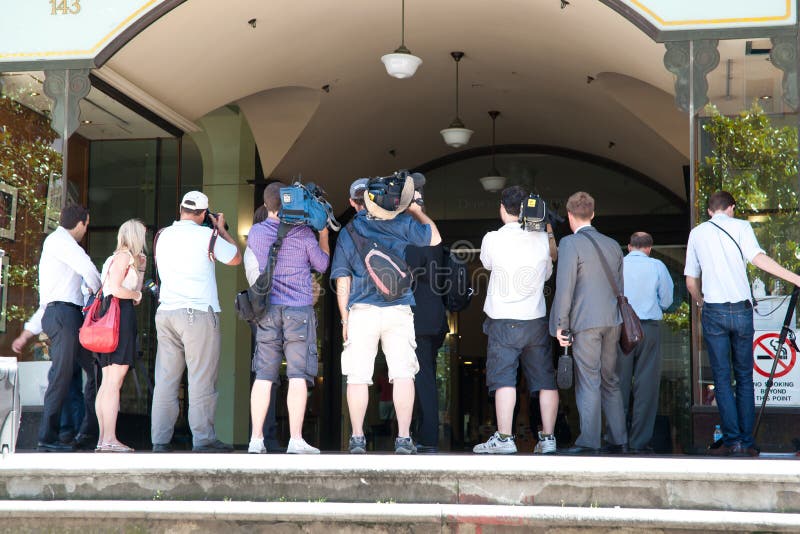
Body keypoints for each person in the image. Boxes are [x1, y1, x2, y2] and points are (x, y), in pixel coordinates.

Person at [685, 191, 800, 457]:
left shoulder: (697, 233)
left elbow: (691, 281)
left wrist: (701, 302)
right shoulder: (741, 227)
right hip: (741, 310)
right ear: (732, 208)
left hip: (714, 309)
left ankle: (733, 441)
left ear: (710, 210)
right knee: (745, 377)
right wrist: (794, 278)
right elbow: (757, 258)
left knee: (722, 378)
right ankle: (747, 442)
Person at [332, 176, 441, 454]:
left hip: (361, 311)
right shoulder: (401, 222)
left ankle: (357, 438)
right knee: (403, 374)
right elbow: (435, 238)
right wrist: (416, 210)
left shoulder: (348, 231)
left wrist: (344, 319)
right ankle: (403, 438)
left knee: (357, 376)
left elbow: (343, 280)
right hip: (398, 309)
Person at [151, 191, 241, 453]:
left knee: (166, 379)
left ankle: (160, 440)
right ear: (203, 214)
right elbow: (235, 257)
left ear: (181, 209)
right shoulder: (206, 236)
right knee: (201, 378)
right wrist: (220, 230)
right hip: (197, 312)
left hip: (166, 312)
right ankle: (203, 439)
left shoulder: (162, 235)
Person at [244, 182, 330, 454]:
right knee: (297, 375)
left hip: (268, 310)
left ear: (266, 205)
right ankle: (295, 439)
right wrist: (323, 233)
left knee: (263, 376)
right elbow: (322, 264)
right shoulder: (303, 233)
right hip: (299, 310)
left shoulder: (255, 232)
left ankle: (255, 439)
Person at [474, 186, 558, 455]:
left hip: (502, 321)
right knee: (545, 380)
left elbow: (486, 264)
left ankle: (504, 438)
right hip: (535, 319)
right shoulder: (541, 239)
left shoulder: (492, 238)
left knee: (504, 380)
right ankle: (548, 438)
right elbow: (548, 273)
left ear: (502, 208)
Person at [12, 204, 101, 452]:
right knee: (62, 376)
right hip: (65, 316)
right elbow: (89, 271)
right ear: (81, 223)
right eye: (87, 224)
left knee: (93, 370)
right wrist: (101, 293)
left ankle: (85, 431)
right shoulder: (63, 243)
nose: (86, 230)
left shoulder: (55, 245)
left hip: (64, 315)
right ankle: (47, 437)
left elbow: (47, 302)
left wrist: (26, 333)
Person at [549, 191, 627, 455]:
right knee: (610, 379)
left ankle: (589, 441)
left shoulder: (570, 244)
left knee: (589, 380)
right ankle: (618, 439)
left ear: (570, 216)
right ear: (592, 214)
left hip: (585, 322)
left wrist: (561, 324)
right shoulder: (613, 245)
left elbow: (565, 287)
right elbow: (620, 287)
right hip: (613, 321)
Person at [615, 231, 673, 453]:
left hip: (621, 329)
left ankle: (617, 439)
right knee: (646, 386)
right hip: (648, 328)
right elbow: (666, 301)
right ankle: (638, 442)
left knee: (617, 384)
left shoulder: (618, 265)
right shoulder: (657, 266)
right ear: (649, 248)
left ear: (629, 247)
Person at [94, 219, 147, 452]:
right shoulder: (124, 257)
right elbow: (117, 289)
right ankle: (109, 439)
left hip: (110, 315)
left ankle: (103, 439)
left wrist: (141, 271)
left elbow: (128, 290)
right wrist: (136, 295)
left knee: (107, 381)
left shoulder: (117, 258)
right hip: (119, 317)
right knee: (114, 382)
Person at [405, 209, 448, 454]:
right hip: (435, 320)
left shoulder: (414, 245)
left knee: (422, 380)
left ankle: (428, 437)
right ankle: (424, 433)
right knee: (425, 378)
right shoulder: (434, 243)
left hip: (418, 321)